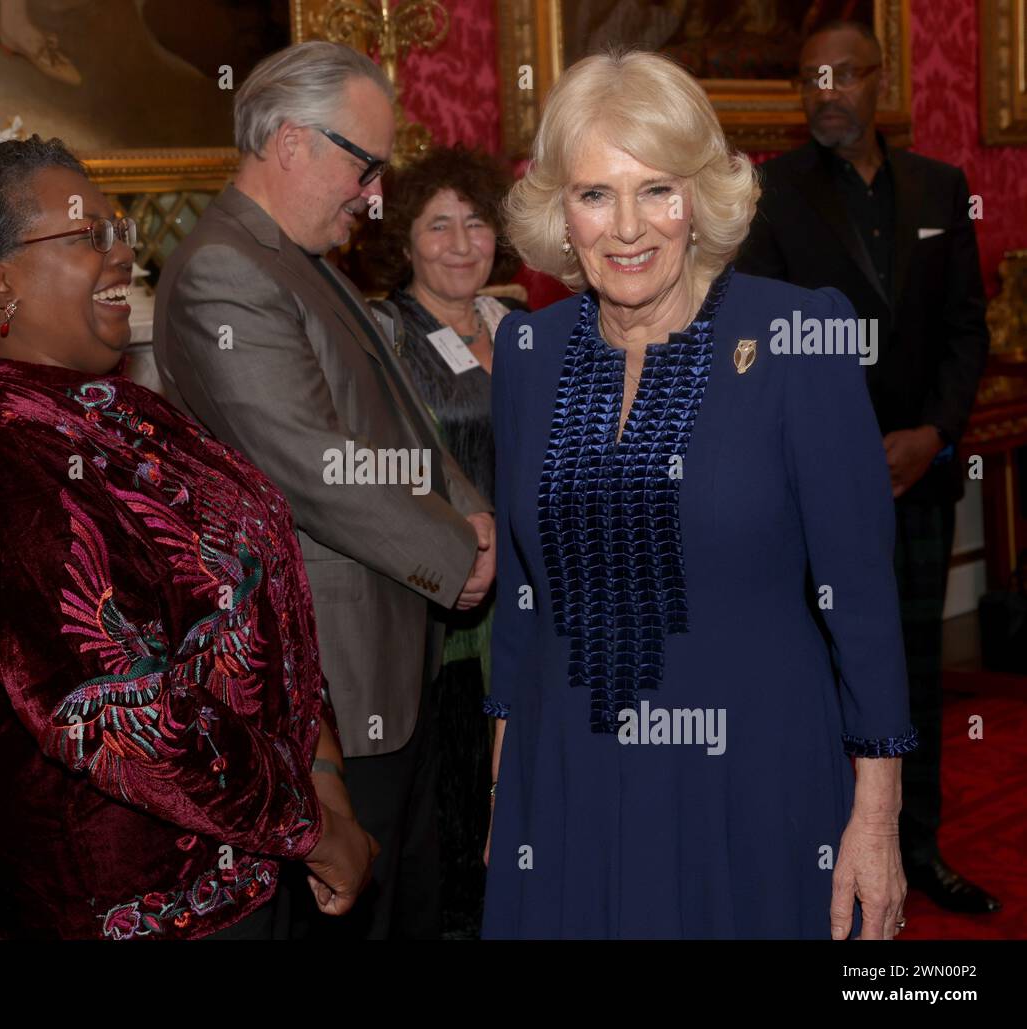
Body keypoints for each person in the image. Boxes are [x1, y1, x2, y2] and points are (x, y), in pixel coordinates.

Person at [484, 49, 916, 939]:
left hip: (752, 777)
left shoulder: (798, 334)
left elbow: (864, 595)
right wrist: (505, 790)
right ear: (560, 212)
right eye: (594, 193)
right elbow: (523, 606)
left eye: (657, 190)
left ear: (700, 198)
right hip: (567, 773)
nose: (626, 227)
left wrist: (877, 817)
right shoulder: (528, 355)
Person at [0, 136, 375, 940]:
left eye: (120, 230)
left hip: (257, 850)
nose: (123, 253)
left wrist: (322, 769)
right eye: (89, 235)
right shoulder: (0, 455)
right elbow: (120, 714)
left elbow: (267, 598)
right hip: (131, 899)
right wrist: (315, 830)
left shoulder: (124, 407)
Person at [153, 41, 496, 939]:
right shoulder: (225, 270)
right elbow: (311, 464)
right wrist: (452, 547)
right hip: (331, 677)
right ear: (291, 142)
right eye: (364, 165)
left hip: (385, 658)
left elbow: (401, 421)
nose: (372, 194)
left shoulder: (299, 256)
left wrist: (466, 502)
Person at [737, 20, 996, 914]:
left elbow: (967, 328)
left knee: (911, 669)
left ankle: (914, 847)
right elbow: (762, 343)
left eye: (844, 74)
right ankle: (819, 853)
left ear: (881, 81)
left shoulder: (940, 186)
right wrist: (839, 451)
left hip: (918, 479)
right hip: (812, 491)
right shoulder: (769, 194)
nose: (828, 91)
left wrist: (934, 433)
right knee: (816, 669)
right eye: (812, 77)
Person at [368, 143, 519, 937]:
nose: (462, 243)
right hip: (446, 613)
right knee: (456, 802)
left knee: (524, 794)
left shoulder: (518, 327)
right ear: (405, 239)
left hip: (536, 598)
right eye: (438, 225)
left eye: (476, 222)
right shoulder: (385, 334)